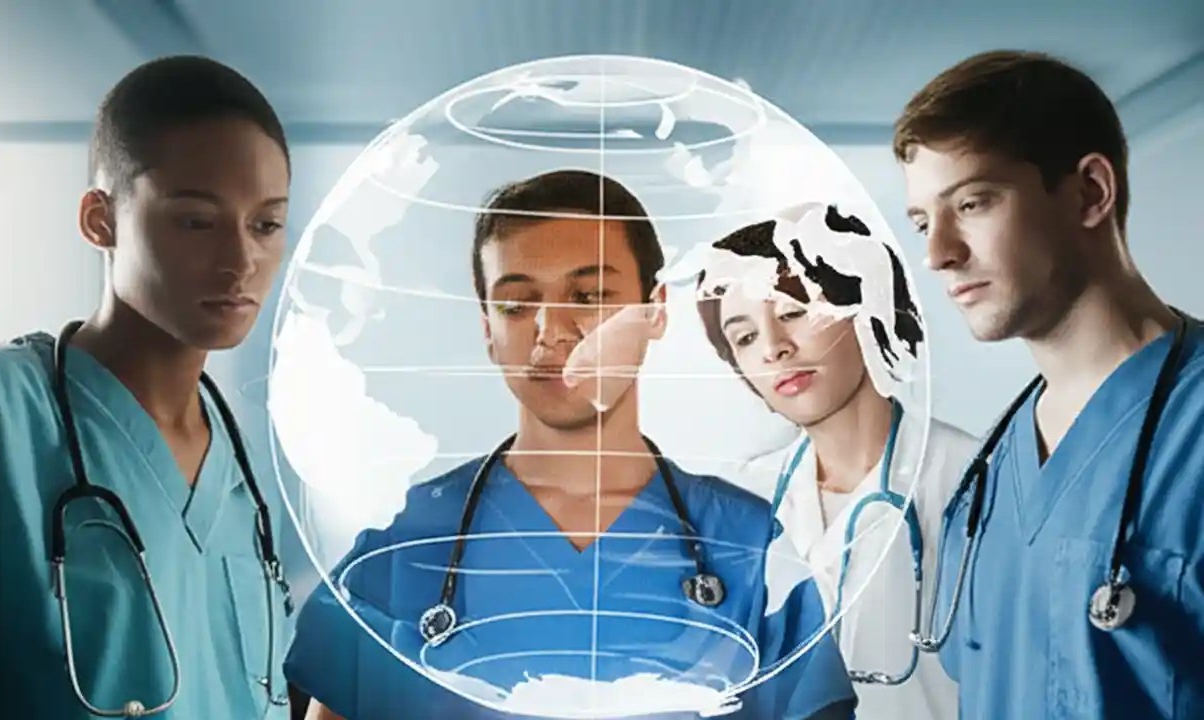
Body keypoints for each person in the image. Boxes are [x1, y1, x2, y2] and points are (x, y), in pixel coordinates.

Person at [284, 170, 858, 719]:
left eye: (588, 297)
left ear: (655, 311)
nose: (551, 331)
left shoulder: (749, 546)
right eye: (516, 304)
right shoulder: (405, 547)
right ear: (487, 328)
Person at [0, 56, 295, 719]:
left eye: (265, 224)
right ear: (101, 219)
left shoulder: (242, 476)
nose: (242, 261)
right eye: (196, 220)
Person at [896, 49, 1204, 718]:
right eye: (923, 222)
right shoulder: (985, 482)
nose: (938, 253)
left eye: (972, 202)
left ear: (1091, 192)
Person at [694, 201, 978, 720]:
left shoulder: (975, 481)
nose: (774, 348)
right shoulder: (739, 502)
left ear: (864, 308)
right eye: (745, 336)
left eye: (793, 312)